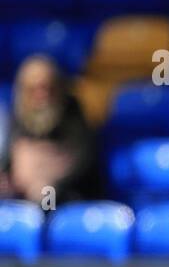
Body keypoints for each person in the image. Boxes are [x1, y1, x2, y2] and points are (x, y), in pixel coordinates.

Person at [0, 55, 99, 205]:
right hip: (23, 196)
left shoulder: (73, 113)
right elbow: (9, 165)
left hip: (67, 196)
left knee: (46, 196)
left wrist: (41, 171)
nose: (42, 96)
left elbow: (79, 163)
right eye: (33, 89)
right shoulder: (17, 116)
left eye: (47, 88)